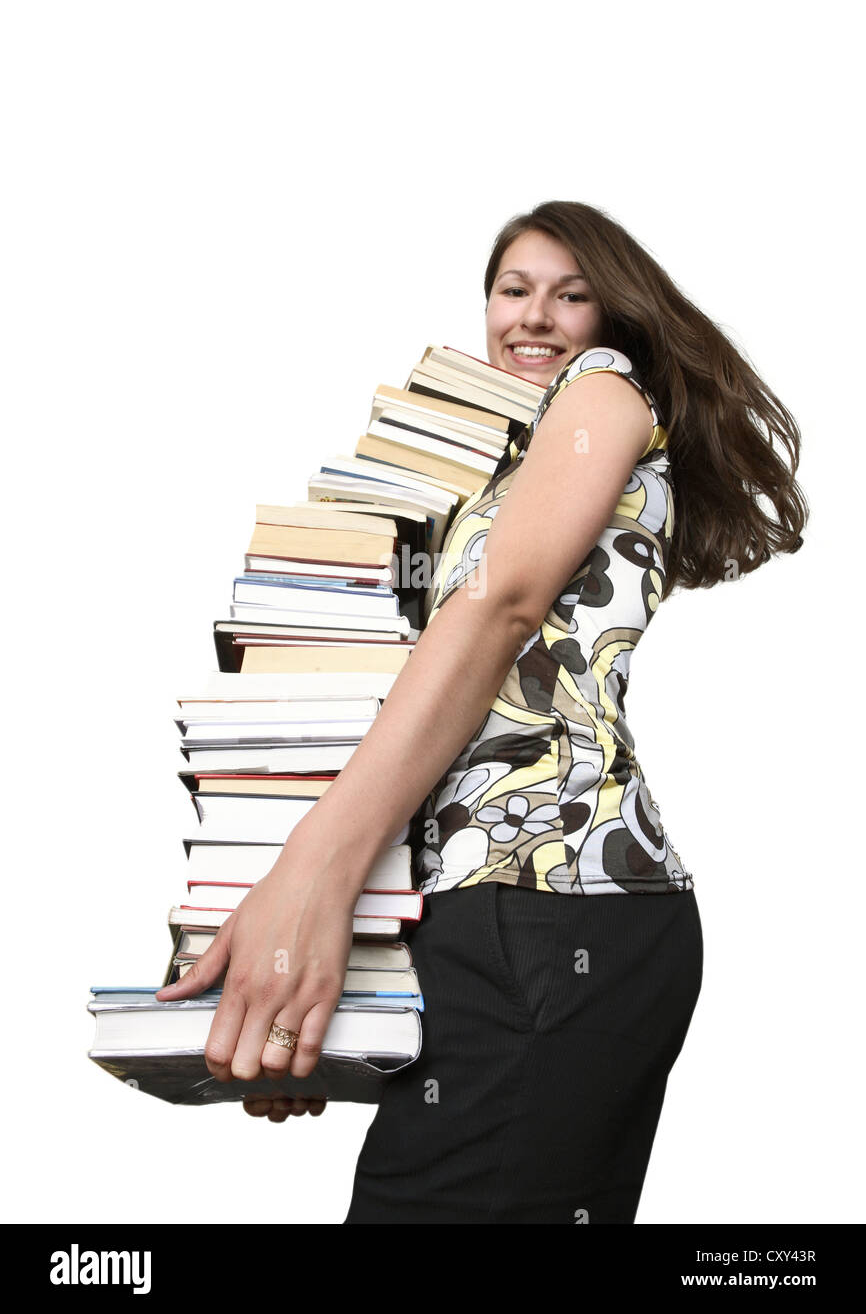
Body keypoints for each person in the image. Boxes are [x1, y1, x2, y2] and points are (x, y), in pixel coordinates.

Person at [156, 201, 808, 1223]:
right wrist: (334, 980)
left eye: (571, 292)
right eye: (512, 289)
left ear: (614, 314)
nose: (534, 315)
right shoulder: (488, 468)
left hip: (553, 904)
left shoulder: (602, 392)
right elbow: (425, 717)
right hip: (490, 919)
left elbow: (501, 611)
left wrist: (309, 881)